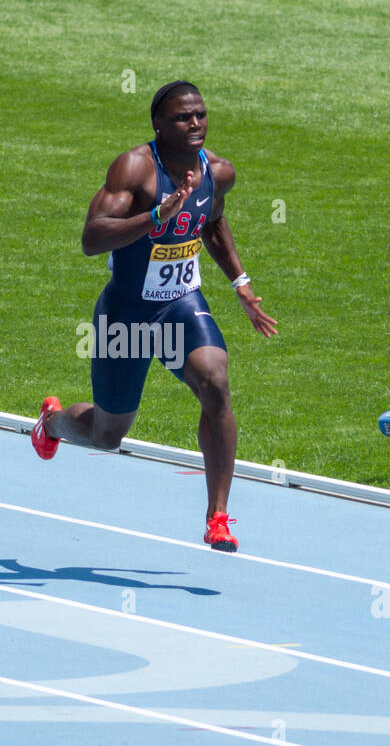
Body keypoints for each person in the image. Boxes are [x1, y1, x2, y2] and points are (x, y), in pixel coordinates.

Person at [32, 81, 277, 551]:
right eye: (184, 117)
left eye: (201, 115)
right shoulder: (135, 170)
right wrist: (155, 220)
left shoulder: (218, 172)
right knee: (107, 436)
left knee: (216, 381)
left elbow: (212, 221)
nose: (196, 124)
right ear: (159, 124)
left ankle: (218, 516)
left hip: (181, 305)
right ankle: (53, 422)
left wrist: (240, 283)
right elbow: (92, 239)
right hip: (126, 315)